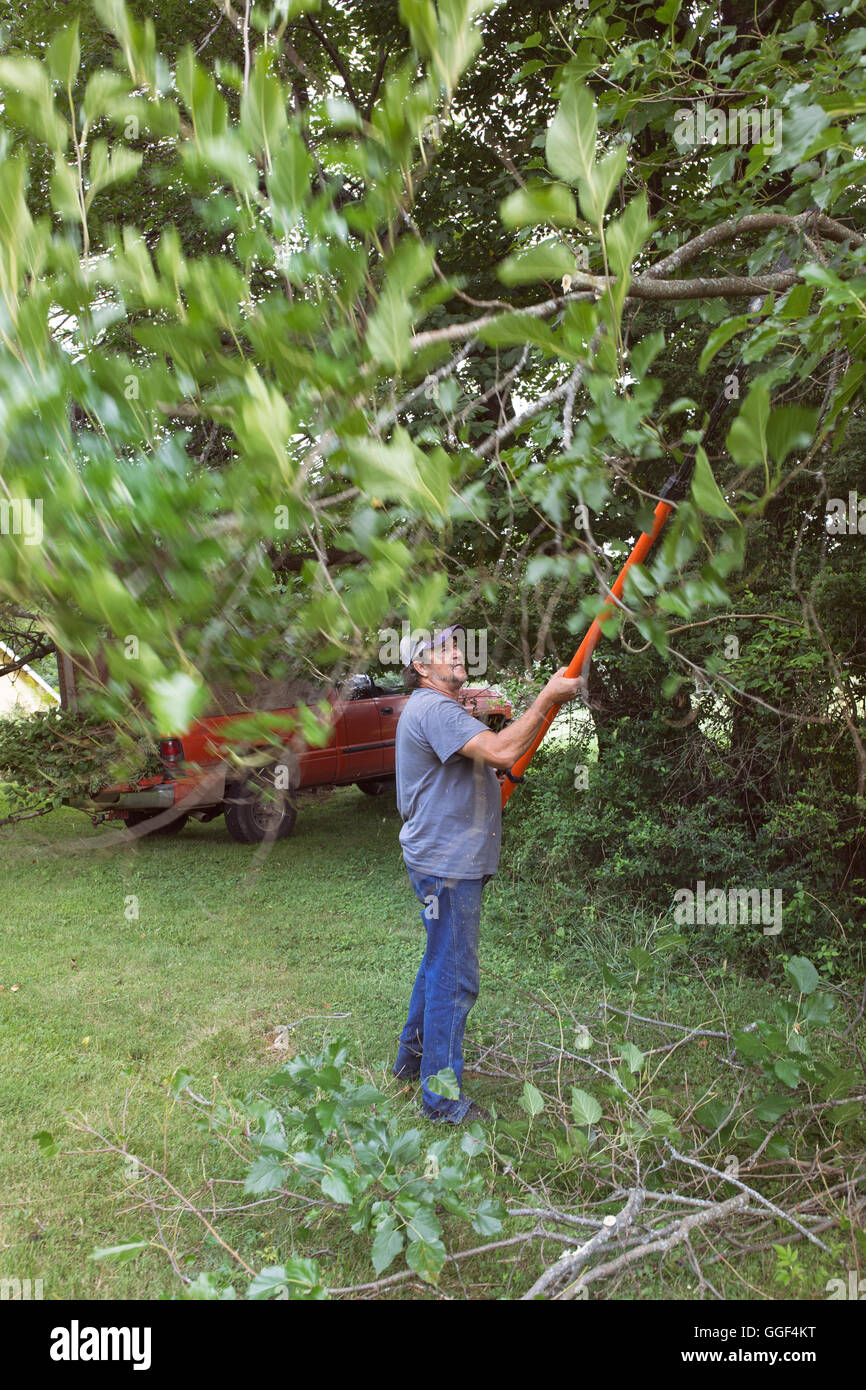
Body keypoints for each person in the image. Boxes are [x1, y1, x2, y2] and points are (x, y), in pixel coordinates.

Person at [393, 622, 585, 1123]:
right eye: (443, 650)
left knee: (438, 962)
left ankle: (411, 1062)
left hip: (442, 860)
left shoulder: (439, 707)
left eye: (457, 646)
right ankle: (441, 1102)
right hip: (448, 867)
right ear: (420, 667)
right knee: (455, 979)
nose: (456, 654)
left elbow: (482, 759)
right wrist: (546, 697)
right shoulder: (433, 708)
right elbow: (501, 750)